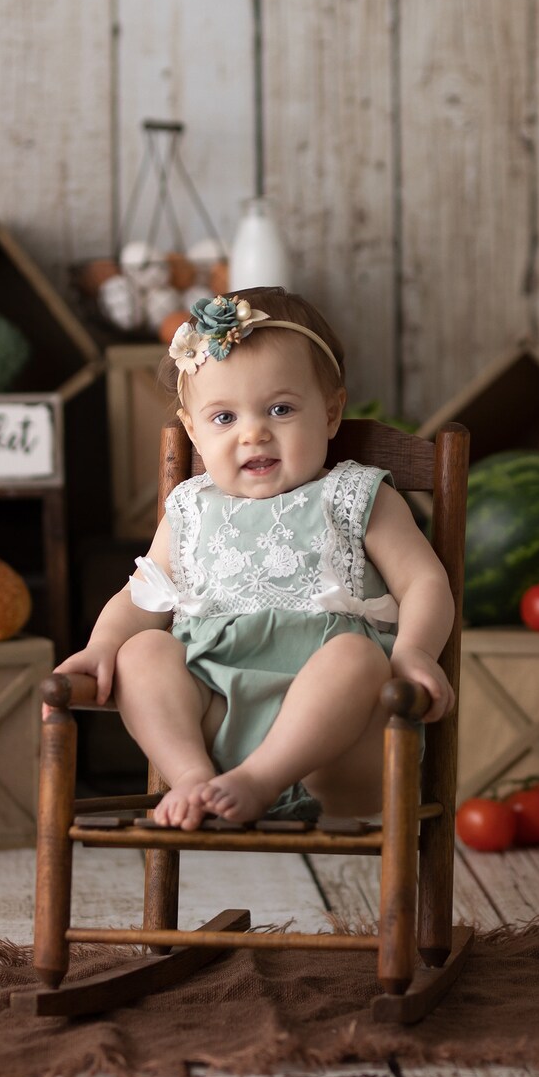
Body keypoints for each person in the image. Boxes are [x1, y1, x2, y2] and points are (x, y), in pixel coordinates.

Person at [54, 287, 454, 829]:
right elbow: (140, 596)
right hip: (218, 734)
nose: (254, 432)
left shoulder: (355, 495)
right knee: (144, 650)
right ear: (192, 430)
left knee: (357, 659)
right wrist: (103, 645)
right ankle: (191, 775)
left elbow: (425, 581)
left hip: (339, 749)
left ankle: (262, 779)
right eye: (224, 418)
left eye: (281, 409)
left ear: (332, 413)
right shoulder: (189, 509)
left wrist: (414, 652)